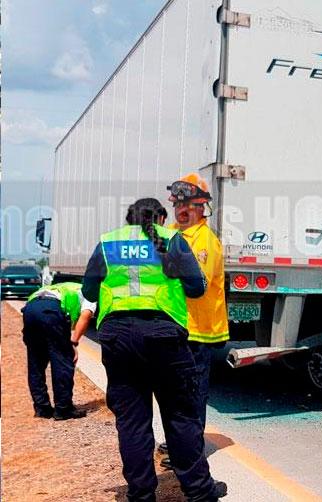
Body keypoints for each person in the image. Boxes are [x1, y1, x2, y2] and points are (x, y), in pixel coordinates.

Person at [79, 198, 226, 502]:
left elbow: (89, 290)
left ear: (128, 218)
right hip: (164, 338)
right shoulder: (172, 240)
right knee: (181, 417)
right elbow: (197, 288)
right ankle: (199, 492)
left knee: (132, 422)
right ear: (159, 218)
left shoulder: (108, 243)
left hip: (119, 340)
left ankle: (142, 495)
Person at [158, 174, 229, 467]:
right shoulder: (173, 233)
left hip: (199, 332)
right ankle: (179, 441)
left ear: (201, 207)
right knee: (175, 393)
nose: (180, 210)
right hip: (177, 328)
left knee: (192, 393)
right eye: (177, 204)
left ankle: (190, 450)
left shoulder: (205, 243)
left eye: (186, 204)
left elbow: (195, 284)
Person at [20, 282, 94, 420]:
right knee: (62, 362)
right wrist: (73, 343)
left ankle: (42, 408)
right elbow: (86, 316)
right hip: (51, 310)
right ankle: (63, 409)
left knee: (36, 362)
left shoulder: (68, 287)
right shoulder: (92, 293)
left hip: (30, 309)